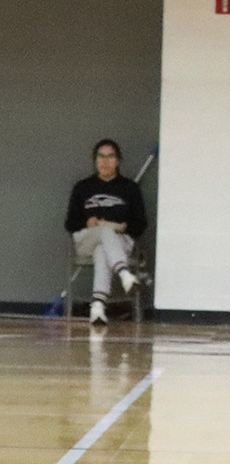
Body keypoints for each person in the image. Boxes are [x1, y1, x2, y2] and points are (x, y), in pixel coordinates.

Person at [65, 139, 146, 326]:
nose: (105, 161)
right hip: (86, 240)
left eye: (110, 156)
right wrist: (87, 221)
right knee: (103, 231)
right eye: (101, 156)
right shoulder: (82, 188)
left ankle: (98, 307)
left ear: (117, 161)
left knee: (103, 250)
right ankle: (124, 273)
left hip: (121, 242)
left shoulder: (130, 189)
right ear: (95, 160)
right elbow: (70, 223)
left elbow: (141, 224)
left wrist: (125, 227)